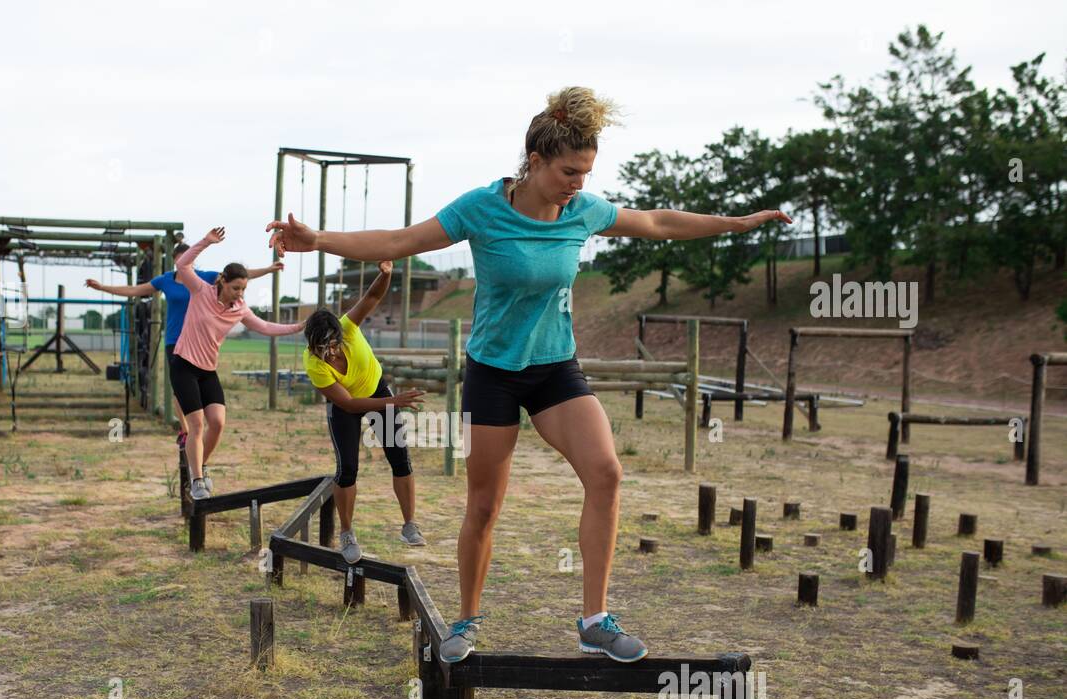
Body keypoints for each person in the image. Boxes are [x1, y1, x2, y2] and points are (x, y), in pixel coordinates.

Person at [268, 86, 791, 664]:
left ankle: (594, 620)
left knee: (606, 472)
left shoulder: (583, 212)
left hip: (555, 369)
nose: (579, 184)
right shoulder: (482, 209)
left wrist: (735, 223)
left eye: (587, 172)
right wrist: (318, 240)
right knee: (486, 506)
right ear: (535, 160)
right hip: (493, 372)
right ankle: (465, 621)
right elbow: (399, 240)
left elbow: (658, 222)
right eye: (570, 171)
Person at [85, 244, 282, 448]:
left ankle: (194, 431)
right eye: (180, 259)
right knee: (179, 387)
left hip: (200, 342)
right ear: (174, 260)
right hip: (175, 340)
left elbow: (239, 275)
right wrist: (102, 288)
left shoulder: (203, 278)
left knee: (198, 388)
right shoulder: (166, 280)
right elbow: (135, 290)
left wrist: (268, 269)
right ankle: (185, 428)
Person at [302, 260, 427, 563]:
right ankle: (347, 533)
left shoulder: (347, 326)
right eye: (321, 348)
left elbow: (372, 297)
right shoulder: (313, 364)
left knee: (400, 458)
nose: (329, 352)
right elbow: (348, 404)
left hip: (376, 390)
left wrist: (385, 275)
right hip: (348, 406)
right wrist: (392, 403)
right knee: (347, 469)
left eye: (332, 345)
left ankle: (409, 524)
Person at [173, 227, 305, 501]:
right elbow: (182, 265)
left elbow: (266, 326)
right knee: (196, 424)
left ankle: (198, 465)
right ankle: (197, 480)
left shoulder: (240, 308)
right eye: (235, 288)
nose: (239, 293)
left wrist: (299, 326)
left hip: (208, 371)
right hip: (183, 364)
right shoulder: (201, 291)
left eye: (243, 289)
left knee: (218, 422)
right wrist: (206, 243)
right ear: (222, 281)